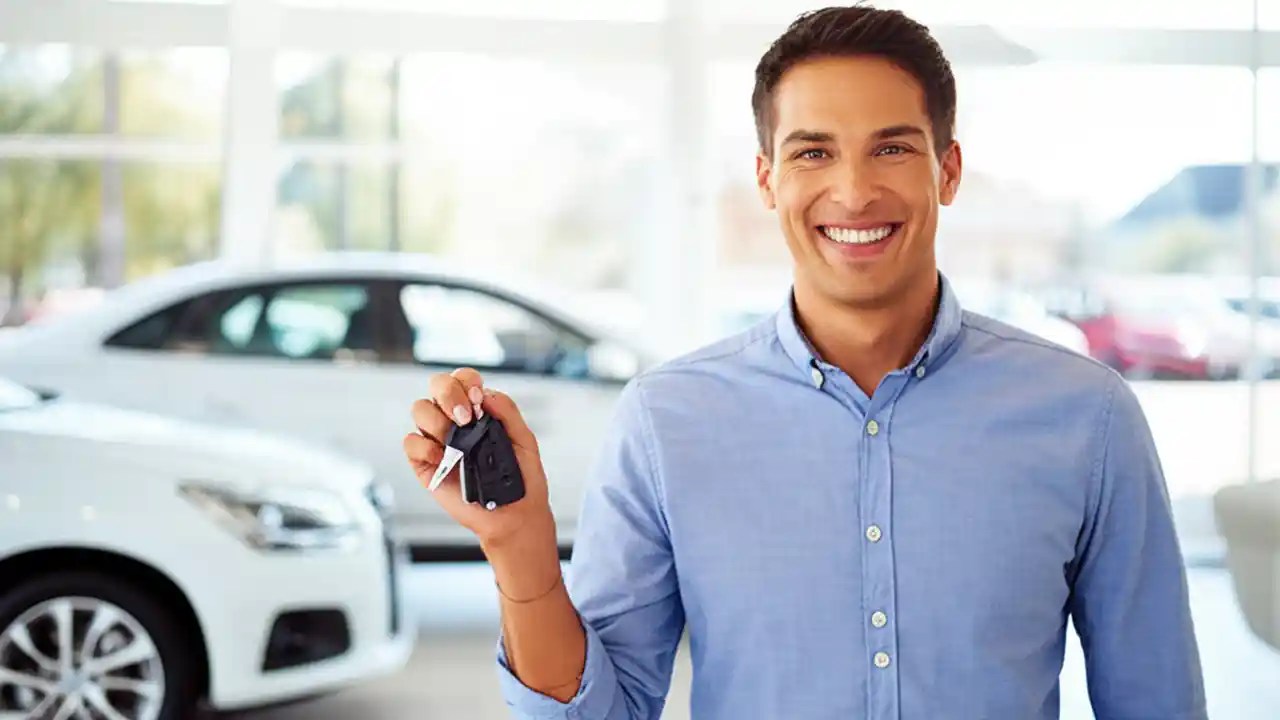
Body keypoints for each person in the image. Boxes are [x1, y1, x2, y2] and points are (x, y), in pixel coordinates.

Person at [403, 5, 1207, 719]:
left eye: (891, 148)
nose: (854, 193)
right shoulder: (665, 422)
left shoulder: (1086, 417)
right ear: (767, 179)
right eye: (813, 153)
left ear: (948, 171)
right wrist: (521, 552)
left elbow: (1158, 701)